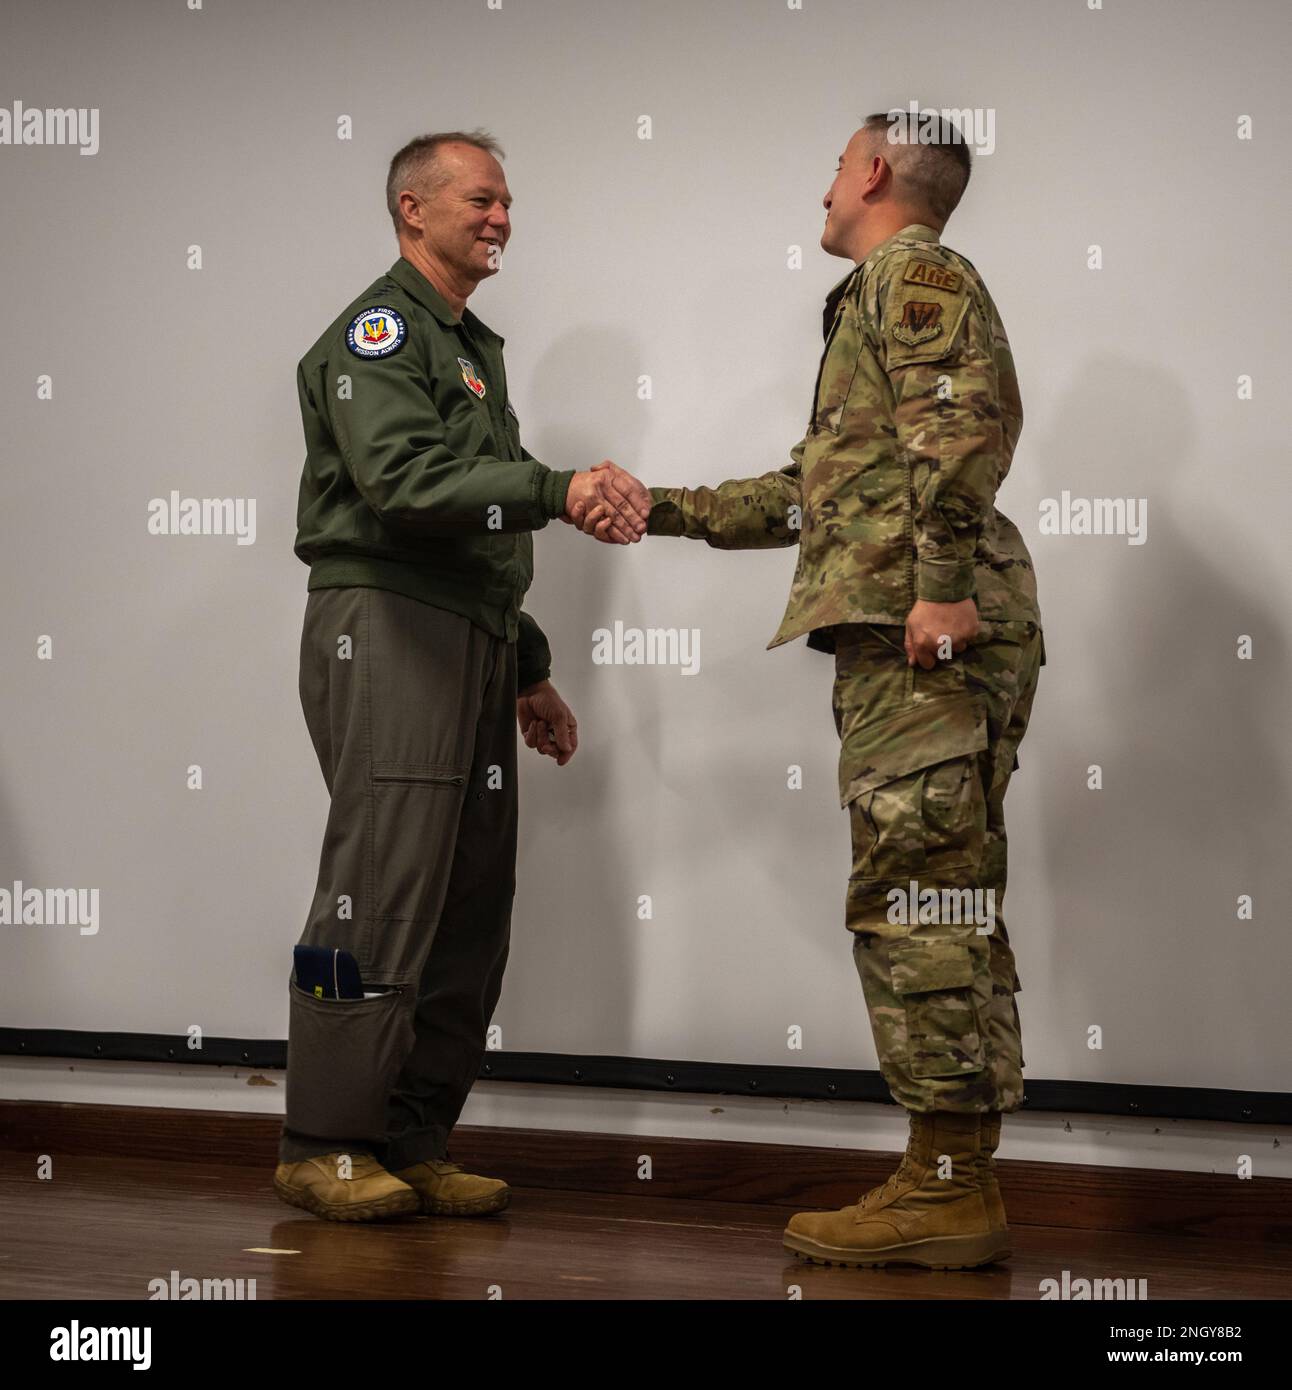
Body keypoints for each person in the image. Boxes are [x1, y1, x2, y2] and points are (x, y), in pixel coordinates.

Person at [572, 111, 1044, 1269]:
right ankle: (950, 1180)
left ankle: (943, 1188)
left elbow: (962, 429)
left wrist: (935, 590)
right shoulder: (877, 298)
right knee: (937, 898)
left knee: (919, 902)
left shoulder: (912, 275)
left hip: (921, 635)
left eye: (835, 164)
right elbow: (812, 493)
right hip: (909, 632)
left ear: (875, 170)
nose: (823, 186)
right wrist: (665, 508)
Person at [275, 129, 652, 1222]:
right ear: (413, 209)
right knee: (380, 888)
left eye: (506, 204)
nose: (500, 219)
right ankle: (325, 1141)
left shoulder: (468, 348)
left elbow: (475, 531)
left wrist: (527, 666)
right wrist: (554, 487)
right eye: (480, 200)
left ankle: (410, 1135)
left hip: (469, 641)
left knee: (467, 903)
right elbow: (402, 482)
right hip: (388, 630)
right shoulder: (380, 331)